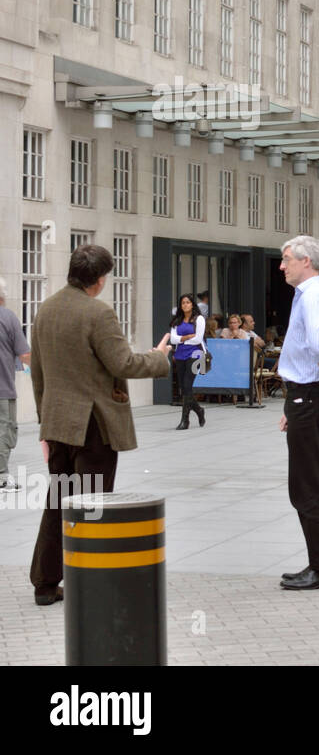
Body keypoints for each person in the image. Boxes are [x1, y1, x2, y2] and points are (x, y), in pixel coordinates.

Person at [29, 245, 172, 606]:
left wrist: (44, 423)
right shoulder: (98, 313)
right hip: (92, 426)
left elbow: (39, 373)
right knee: (92, 502)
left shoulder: (46, 309)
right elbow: (123, 363)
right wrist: (159, 358)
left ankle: (46, 582)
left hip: (59, 423)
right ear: (100, 278)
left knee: (58, 500)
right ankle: (88, 579)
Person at [275, 235, 319, 590]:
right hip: (309, 396)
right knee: (312, 480)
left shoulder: (312, 296)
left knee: (306, 486)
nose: (282, 266)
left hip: (313, 394)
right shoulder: (313, 294)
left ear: (306, 261)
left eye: (287, 259)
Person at [0, 278, 32, 493]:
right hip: (2, 387)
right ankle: (2, 476)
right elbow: (25, 354)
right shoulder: (7, 317)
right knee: (5, 429)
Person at [157, 293, 207, 429]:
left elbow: (198, 339)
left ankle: (185, 420)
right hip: (180, 354)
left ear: (192, 304)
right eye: (183, 303)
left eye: (188, 302)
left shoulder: (199, 319)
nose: (185, 305)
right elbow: (173, 339)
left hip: (196, 354)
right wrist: (186, 337)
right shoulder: (177, 320)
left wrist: (182, 338)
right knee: (183, 387)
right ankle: (198, 410)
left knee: (187, 385)